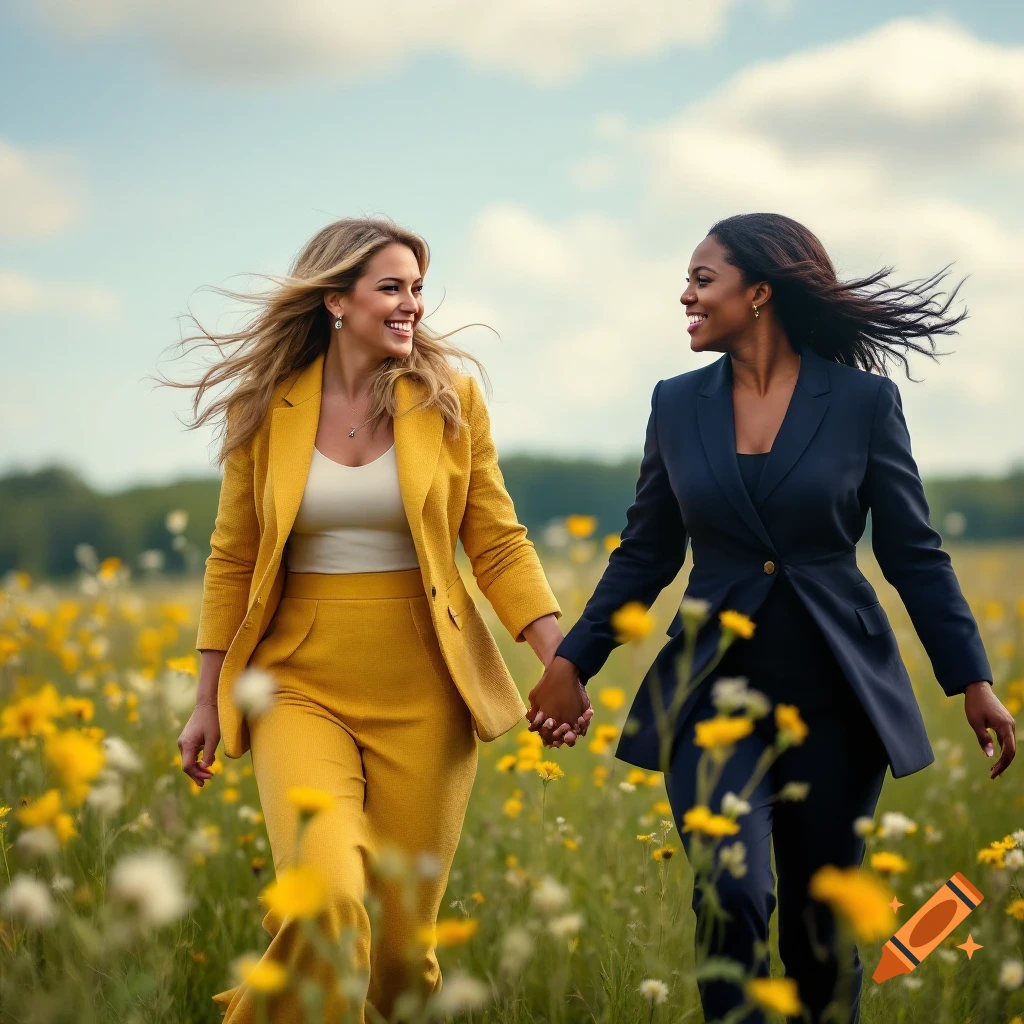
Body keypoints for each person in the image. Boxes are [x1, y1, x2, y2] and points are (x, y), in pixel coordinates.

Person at [526, 213, 1016, 1023]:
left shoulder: (863, 403)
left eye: (701, 279)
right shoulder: (676, 405)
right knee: (733, 896)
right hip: (709, 702)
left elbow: (913, 552)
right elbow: (645, 554)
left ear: (760, 293)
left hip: (838, 702)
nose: (684, 295)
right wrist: (571, 662)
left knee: (821, 933)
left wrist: (973, 680)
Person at [172, 217, 591, 1022]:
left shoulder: (450, 400)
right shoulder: (266, 407)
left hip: (426, 688)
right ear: (336, 299)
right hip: (296, 683)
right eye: (392, 288)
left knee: (400, 959)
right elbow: (232, 557)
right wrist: (206, 697)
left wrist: (558, 659)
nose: (413, 306)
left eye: (418, 289)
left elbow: (496, 542)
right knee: (326, 900)